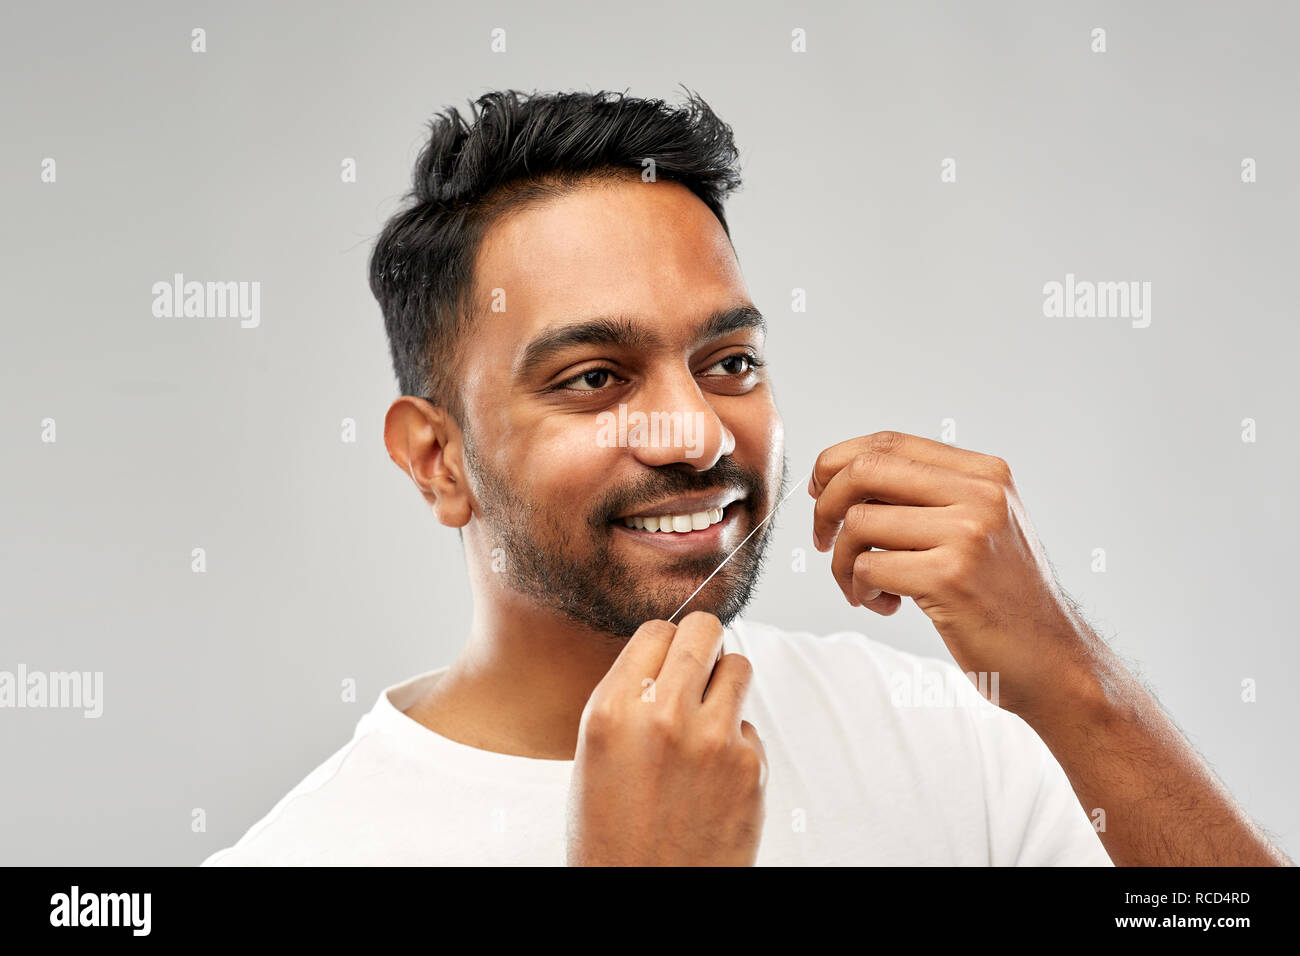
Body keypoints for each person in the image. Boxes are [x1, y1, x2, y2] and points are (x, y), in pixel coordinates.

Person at [203, 89, 1289, 866]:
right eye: (593, 375)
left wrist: (1068, 676)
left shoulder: (939, 731)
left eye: (728, 362)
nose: (693, 429)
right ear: (438, 459)